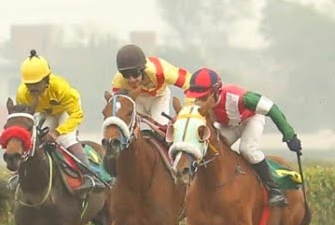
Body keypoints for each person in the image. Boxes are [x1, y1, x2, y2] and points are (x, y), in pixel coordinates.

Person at [185, 67, 302, 207]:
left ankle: (274, 190)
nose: (199, 102)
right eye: (197, 98)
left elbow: (272, 110)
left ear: (216, 93)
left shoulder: (243, 98)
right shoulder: (198, 105)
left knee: (247, 149)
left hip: (251, 119)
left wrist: (290, 136)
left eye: (204, 97)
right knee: (212, 147)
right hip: (229, 124)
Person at [14, 49, 101, 178]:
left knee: (65, 139)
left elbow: (76, 115)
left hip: (67, 111)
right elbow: (24, 120)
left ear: (46, 80)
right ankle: (19, 176)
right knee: (36, 139)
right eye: (29, 85)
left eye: (36, 84)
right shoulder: (22, 94)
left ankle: (89, 175)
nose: (32, 89)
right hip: (46, 113)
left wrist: (57, 132)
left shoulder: (60, 88)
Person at [110, 43, 192, 126]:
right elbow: (116, 106)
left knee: (160, 128)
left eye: (135, 74)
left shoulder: (162, 71)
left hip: (158, 98)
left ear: (143, 70)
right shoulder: (118, 80)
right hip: (136, 100)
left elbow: (191, 83)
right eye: (126, 75)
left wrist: (188, 110)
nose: (132, 80)